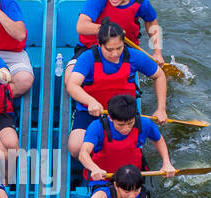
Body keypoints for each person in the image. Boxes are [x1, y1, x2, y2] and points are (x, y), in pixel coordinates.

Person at [65, 19, 167, 157]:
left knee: (125, 148)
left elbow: (159, 76)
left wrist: (161, 109)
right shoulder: (87, 57)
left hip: (125, 113)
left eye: (119, 48)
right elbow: (72, 85)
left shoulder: (134, 56)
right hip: (92, 111)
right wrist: (90, 101)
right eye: (109, 49)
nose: (115, 54)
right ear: (100, 45)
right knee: (76, 147)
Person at [73, 0, 162, 61]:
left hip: (124, 50)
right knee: (72, 73)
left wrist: (157, 53)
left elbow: (151, 22)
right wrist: (111, 30)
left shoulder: (139, 1)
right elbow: (81, 26)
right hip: (92, 48)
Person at [79, 94, 174, 183]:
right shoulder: (96, 127)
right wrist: (94, 168)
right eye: (120, 125)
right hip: (103, 178)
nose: (126, 129)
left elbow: (158, 140)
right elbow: (83, 153)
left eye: (130, 123)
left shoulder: (145, 123)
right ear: (110, 118)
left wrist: (167, 163)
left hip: (132, 178)